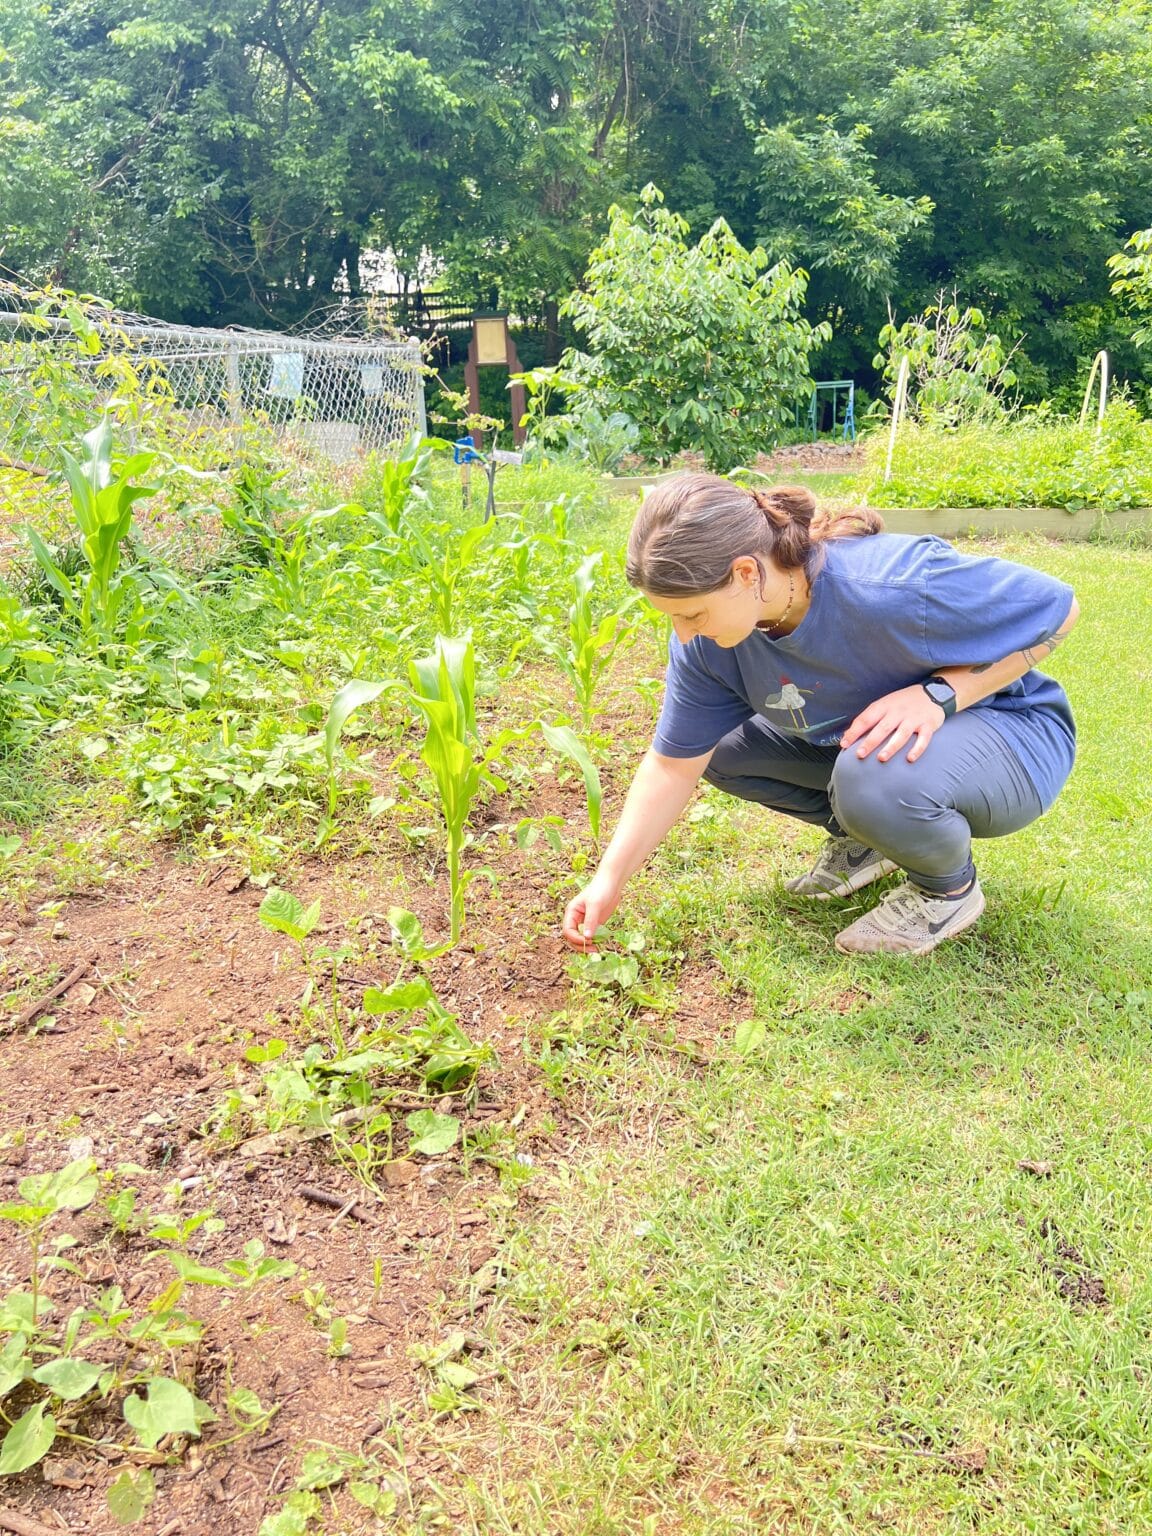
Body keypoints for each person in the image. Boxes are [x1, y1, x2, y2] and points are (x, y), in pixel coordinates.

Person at [561, 474, 1078, 957]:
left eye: (692, 613)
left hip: (1013, 736)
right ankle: (872, 843)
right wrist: (609, 881)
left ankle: (946, 892)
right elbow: (674, 765)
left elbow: (1059, 609)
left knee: (869, 776)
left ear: (746, 573)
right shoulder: (710, 647)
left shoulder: (889, 584)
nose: (683, 634)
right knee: (718, 747)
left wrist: (939, 695)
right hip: (881, 749)